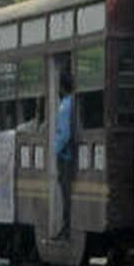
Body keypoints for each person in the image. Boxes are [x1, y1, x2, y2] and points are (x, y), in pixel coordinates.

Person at [52, 71, 75, 239]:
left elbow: (64, 134)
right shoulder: (74, 102)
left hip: (66, 158)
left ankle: (66, 228)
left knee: (66, 193)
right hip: (71, 156)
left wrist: (54, 149)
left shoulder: (65, 105)